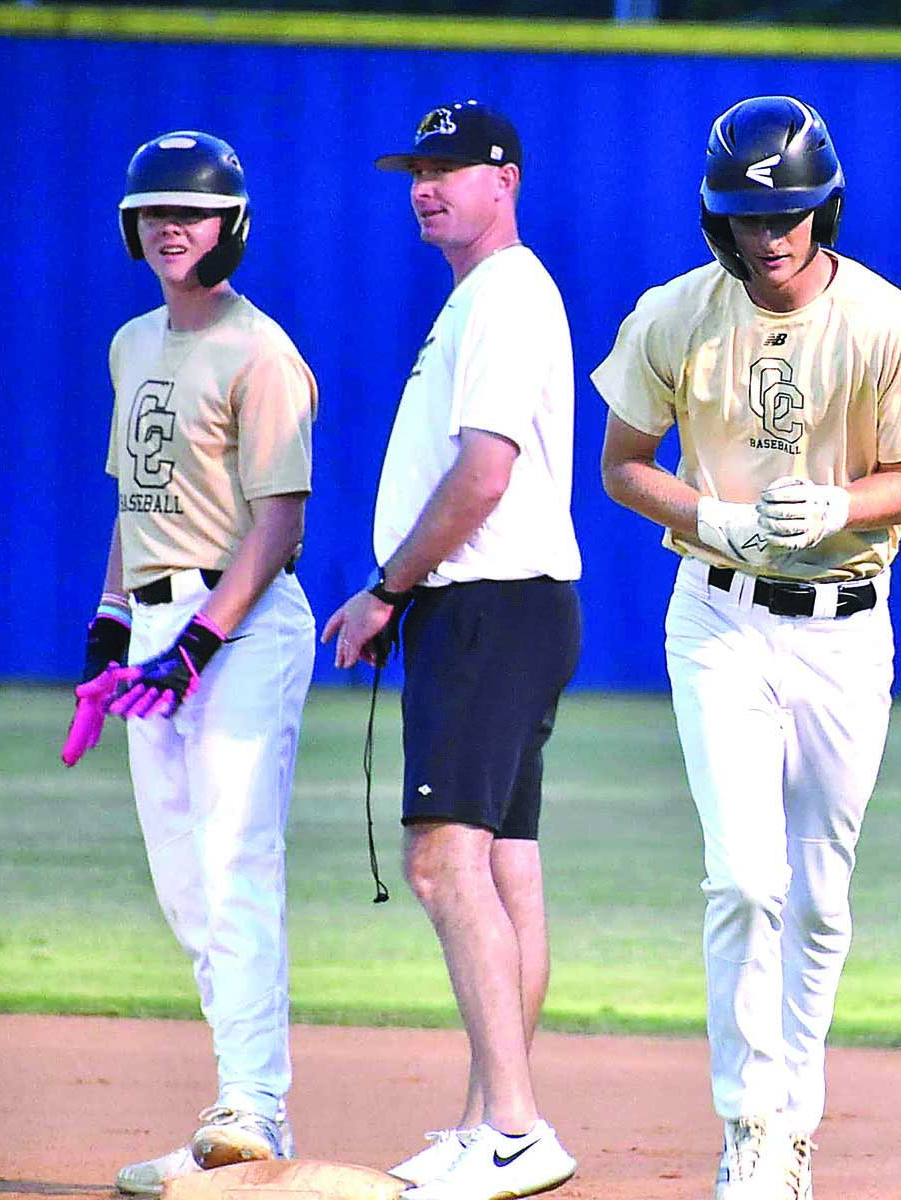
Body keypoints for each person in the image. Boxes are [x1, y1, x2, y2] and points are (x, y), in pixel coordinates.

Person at [592, 95, 901, 1200]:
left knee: (818, 896)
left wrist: (835, 506)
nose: (774, 233)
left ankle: (795, 1123)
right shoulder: (674, 313)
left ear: (824, 207)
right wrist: (712, 518)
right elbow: (621, 463)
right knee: (743, 878)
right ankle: (749, 1126)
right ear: (718, 222)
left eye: (793, 211)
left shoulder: (887, 322)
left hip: (844, 626)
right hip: (717, 612)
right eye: (752, 217)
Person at [321, 100, 582, 1200]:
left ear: (503, 179)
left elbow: (482, 474)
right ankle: (489, 1127)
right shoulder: (484, 298)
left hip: (485, 601)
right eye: (414, 171)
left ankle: (515, 1131)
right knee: (501, 866)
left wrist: (388, 591)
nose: (426, 186)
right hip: (502, 606)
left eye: (449, 168)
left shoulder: (504, 297)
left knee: (439, 861)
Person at [63, 130, 317, 1195]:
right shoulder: (133, 345)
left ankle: (252, 1108)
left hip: (244, 626)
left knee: (232, 863)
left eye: (196, 211)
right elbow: (135, 501)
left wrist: (204, 638)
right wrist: (112, 623)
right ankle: (235, 1111)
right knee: (184, 886)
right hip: (160, 632)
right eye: (157, 210)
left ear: (233, 227)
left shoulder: (263, 352)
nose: (174, 225)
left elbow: (279, 521)